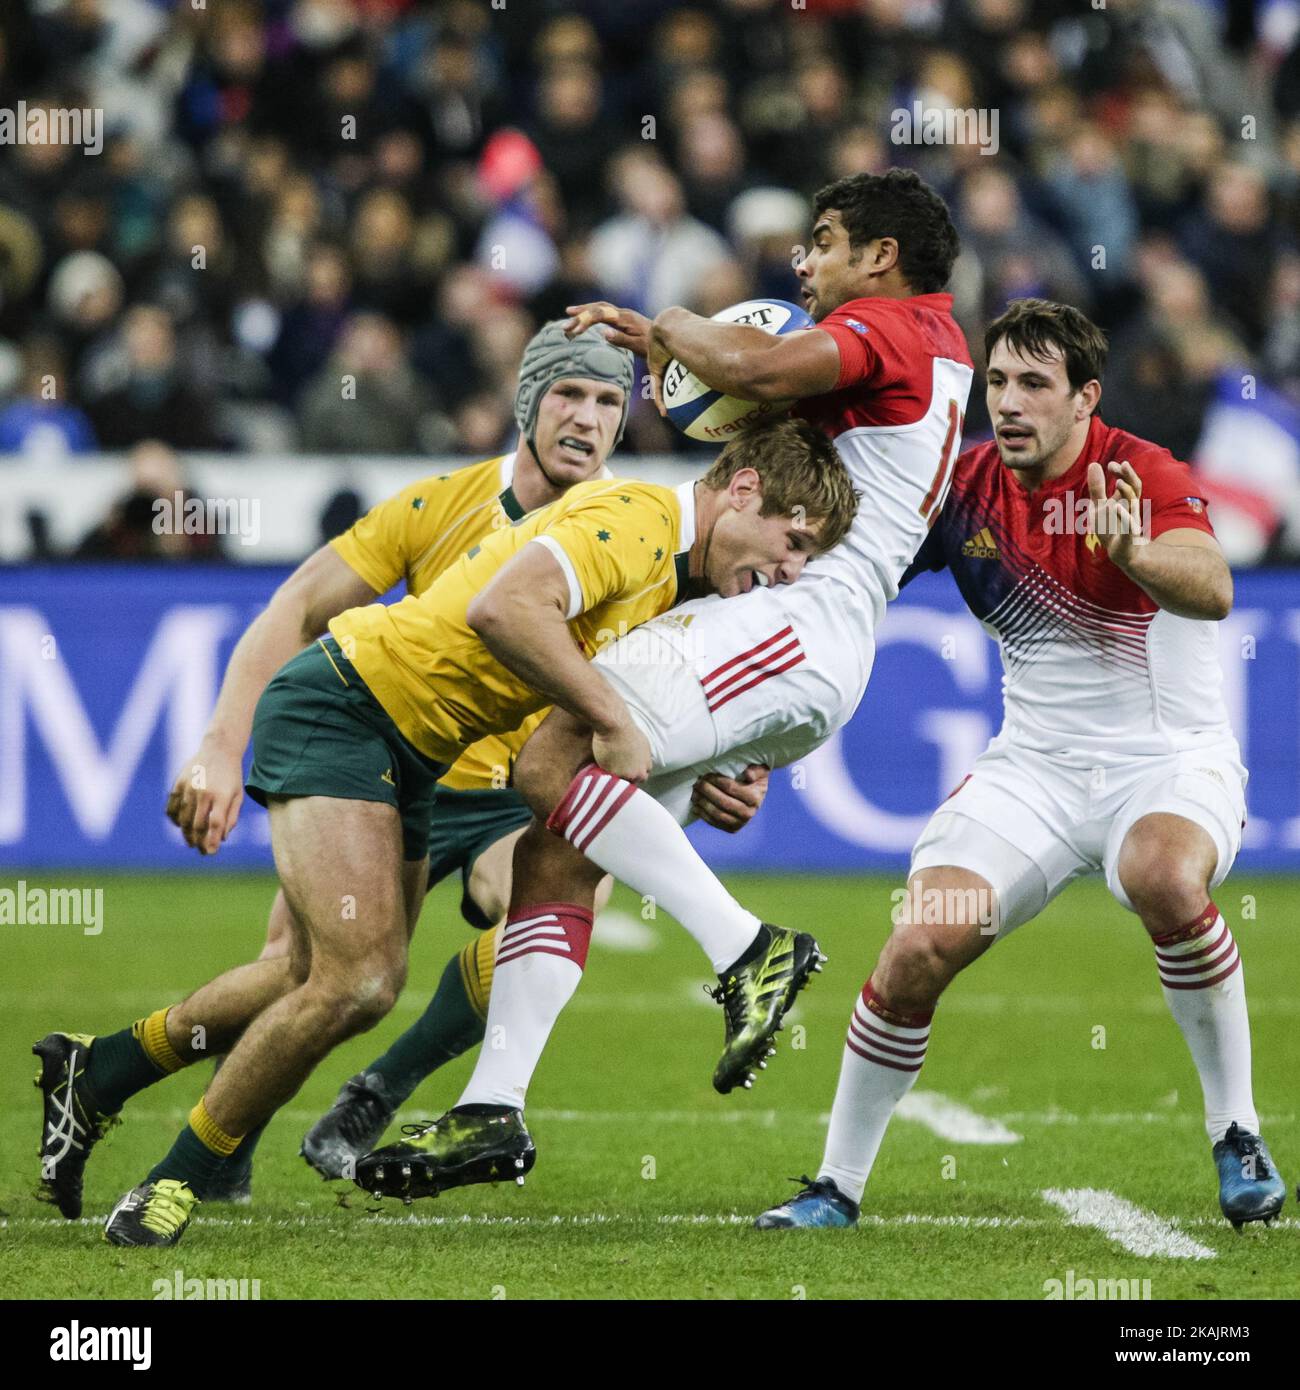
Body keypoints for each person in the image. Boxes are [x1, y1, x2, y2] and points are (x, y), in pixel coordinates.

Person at [47, 405, 852, 1248]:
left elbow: (636, 716)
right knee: (353, 981)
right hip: (344, 708)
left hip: (416, 753)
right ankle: (174, 1178)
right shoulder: (639, 521)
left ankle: (97, 1070)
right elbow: (504, 609)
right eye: (793, 543)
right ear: (745, 491)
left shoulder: (678, 574)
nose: (791, 571)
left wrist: (719, 777)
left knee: (326, 976)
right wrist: (612, 715)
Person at [354, 167, 977, 1203]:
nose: (803, 260)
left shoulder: (901, 327)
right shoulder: (926, 361)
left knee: (553, 753)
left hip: (791, 619)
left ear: (880, 257)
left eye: (821, 240)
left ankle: (751, 949)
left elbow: (757, 364)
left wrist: (666, 327)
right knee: (564, 843)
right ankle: (490, 1108)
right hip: (792, 633)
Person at [754, 298, 1286, 1232]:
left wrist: (1137, 554)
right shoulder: (963, 486)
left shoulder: (1141, 472)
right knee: (920, 944)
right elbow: (848, 567)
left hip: (1166, 766)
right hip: (1033, 774)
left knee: (1160, 875)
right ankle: (835, 1186)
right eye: (997, 381)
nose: (1009, 401)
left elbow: (1213, 587)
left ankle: (1236, 1130)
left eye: (1034, 384)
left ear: (1085, 398)